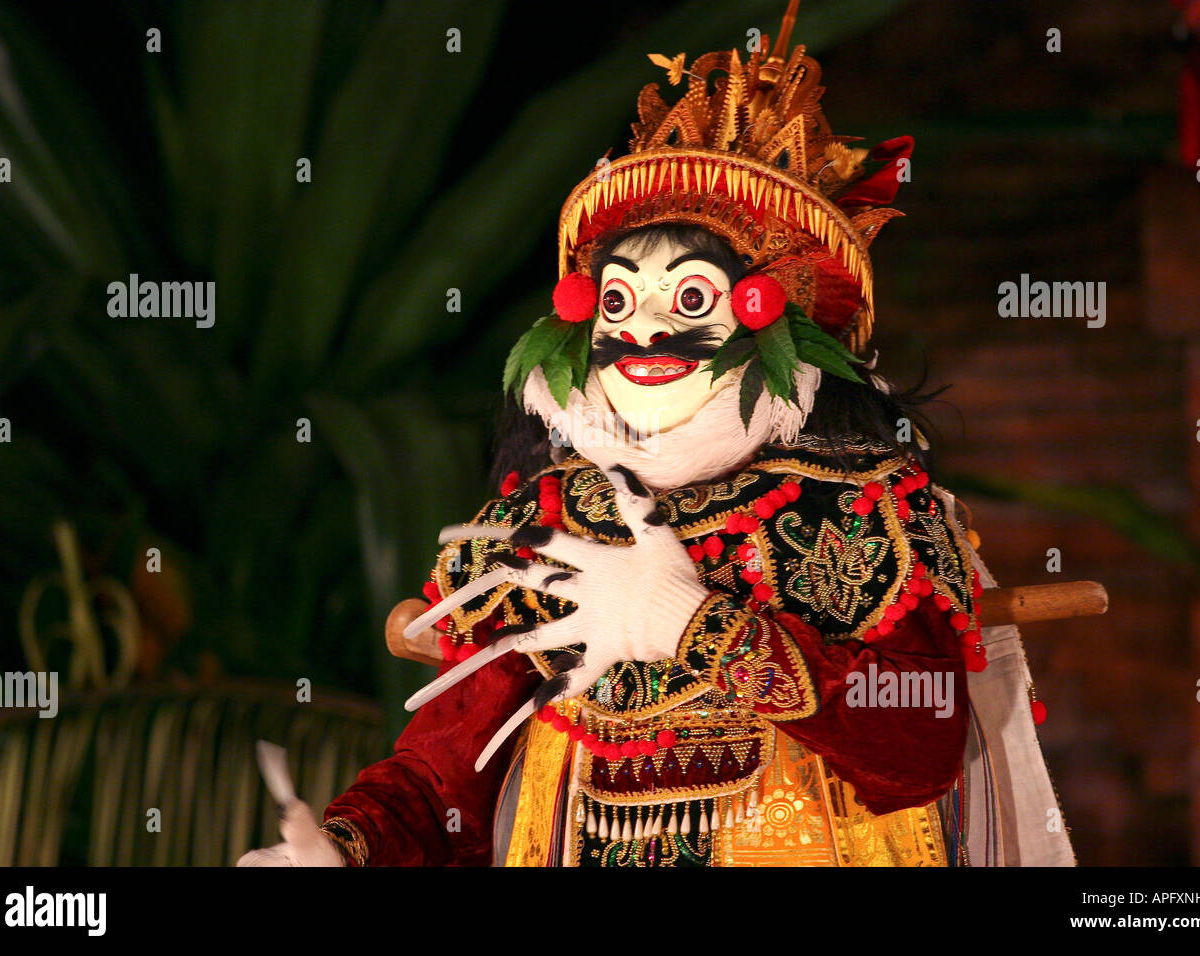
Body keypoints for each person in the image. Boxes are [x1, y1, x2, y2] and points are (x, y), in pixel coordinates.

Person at [239, 2, 1072, 867]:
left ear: (774, 325)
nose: (641, 331)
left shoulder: (861, 510)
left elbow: (917, 749)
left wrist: (698, 628)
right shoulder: (556, 516)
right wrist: (343, 849)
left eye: (692, 300)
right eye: (616, 300)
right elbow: (446, 775)